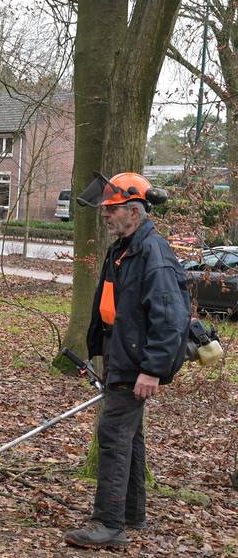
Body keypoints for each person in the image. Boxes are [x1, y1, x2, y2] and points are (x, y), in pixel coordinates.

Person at [63, 172, 190, 549]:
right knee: (129, 438)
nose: (106, 216)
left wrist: (152, 369)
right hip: (121, 357)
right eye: (106, 210)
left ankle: (108, 524)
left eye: (113, 210)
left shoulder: (153, 254)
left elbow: (171, 319)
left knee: (114, 438)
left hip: (136, 364)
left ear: (134, 213)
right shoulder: (124, 248)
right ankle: (131, 514)